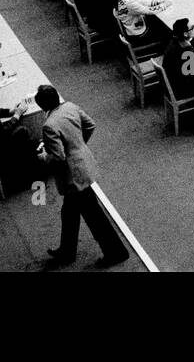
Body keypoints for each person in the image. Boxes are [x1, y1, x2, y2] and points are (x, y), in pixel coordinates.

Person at [36, 84, 129, 267]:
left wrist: (43, 156)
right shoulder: (70, 107)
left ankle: (115, 252)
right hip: (83, 163)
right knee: (69, 212)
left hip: (73, 176)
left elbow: (58, 156)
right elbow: (90, 125)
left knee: (94, 217)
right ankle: (67, 250)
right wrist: (78, 145)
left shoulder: (49, 126)